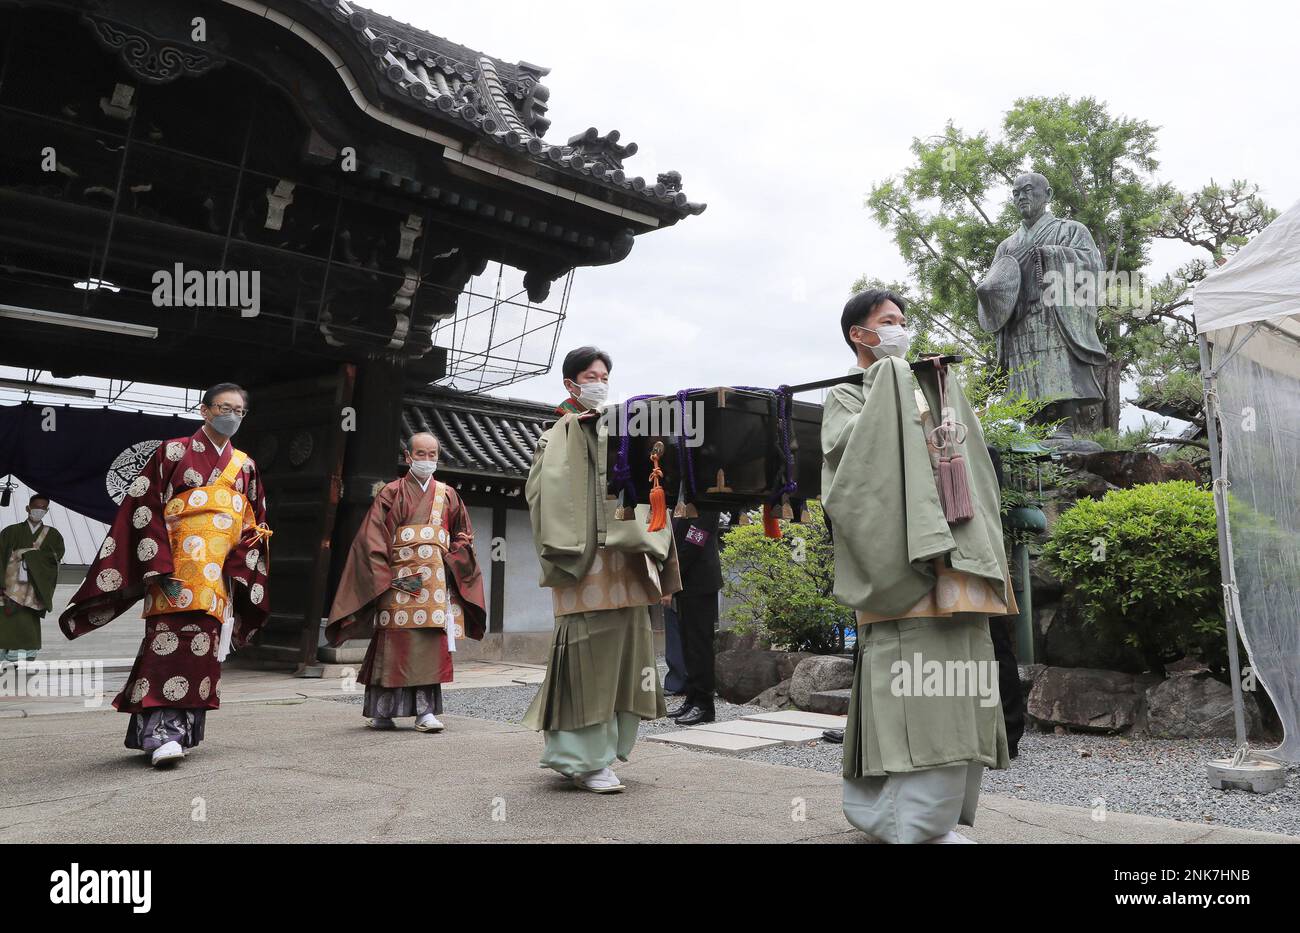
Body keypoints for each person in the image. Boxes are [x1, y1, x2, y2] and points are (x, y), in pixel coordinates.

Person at [822, 289, 1015, 843]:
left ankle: (934, 820)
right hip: (903, 569)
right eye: (888, 322)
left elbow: (967, 464)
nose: (900, 330)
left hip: (954, 564)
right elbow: (854, 476)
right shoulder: (846, 396)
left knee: (959, 689)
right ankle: (905, 821)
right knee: (915, 695)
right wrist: (897, 396)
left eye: (904, 321)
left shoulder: (927, 388)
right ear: (860, 335)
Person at [60, 383, 271, 767]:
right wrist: (156, 567)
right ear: (205, 410)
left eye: (240, 411)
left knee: (202, 651)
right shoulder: (170, 452)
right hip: (173, 569)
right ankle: (162, 735)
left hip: (217, 573)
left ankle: (181, 733)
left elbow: (254, 524)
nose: (232, 416)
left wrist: (239, 564)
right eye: (225, 408)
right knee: (168, 645)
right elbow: (143, 510)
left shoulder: (246, 465)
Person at [521, 346, 681, 793]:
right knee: (586, 661)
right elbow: (541, 493)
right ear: (571, 384)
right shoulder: (555, 434)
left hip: (625, 560)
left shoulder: (624, 432)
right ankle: (582, 759)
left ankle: (606, 752)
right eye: (590, 375)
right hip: (584, 563)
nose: (599, 382)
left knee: (627, 656)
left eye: (605, 375)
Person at [326, 432, 487, 732]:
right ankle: (382, 712)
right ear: (408, 457)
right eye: (420, 454)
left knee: (429, 644)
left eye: (431, 454)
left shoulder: (448, 494)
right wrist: (382, 575)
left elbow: (463, 534)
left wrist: (455, 556)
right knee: (393, 642)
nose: (426, 460)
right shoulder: (391, 492)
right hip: (397, 577)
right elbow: (371, 538)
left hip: (435, 580)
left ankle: (425, 713)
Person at [665, 509, 722, 725]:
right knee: (687, 643)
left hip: (699, 578)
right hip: (685, 580)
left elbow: (697, 538)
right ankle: (692, 697)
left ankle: (705, 704)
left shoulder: (706, 502)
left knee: (700, 644)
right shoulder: (683, 497)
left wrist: (674, 570)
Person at [0, 494, 65, 663]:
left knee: (28, 617)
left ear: (47, 510)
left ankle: (24, 653)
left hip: (35, 584)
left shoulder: (53, 535)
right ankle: (3, 652)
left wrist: (34, 558)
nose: (39, 510)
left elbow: (55, 557)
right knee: (6, 616)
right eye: (36, 507)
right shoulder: (11, 531)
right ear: (28, 508)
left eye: (43, 508)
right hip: (9, 581)